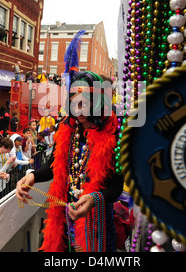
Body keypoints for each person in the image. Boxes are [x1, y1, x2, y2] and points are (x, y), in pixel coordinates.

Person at [16, 71, 123, 252]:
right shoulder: (68, 128)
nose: (79, 111)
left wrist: (95, 198)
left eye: (85, 104)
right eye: (75, 104)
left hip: (96, 225)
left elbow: (116, 187)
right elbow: (53, 166)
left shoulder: (117, 134)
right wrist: (32, 176)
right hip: (65, 219)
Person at [0, 138, 16, 202]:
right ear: (3, 147)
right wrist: (7, 163)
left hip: (4, 183)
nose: (9, 151)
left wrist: (11, 163)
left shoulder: (6, 154)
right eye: (8, 149)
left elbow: (7, 168)